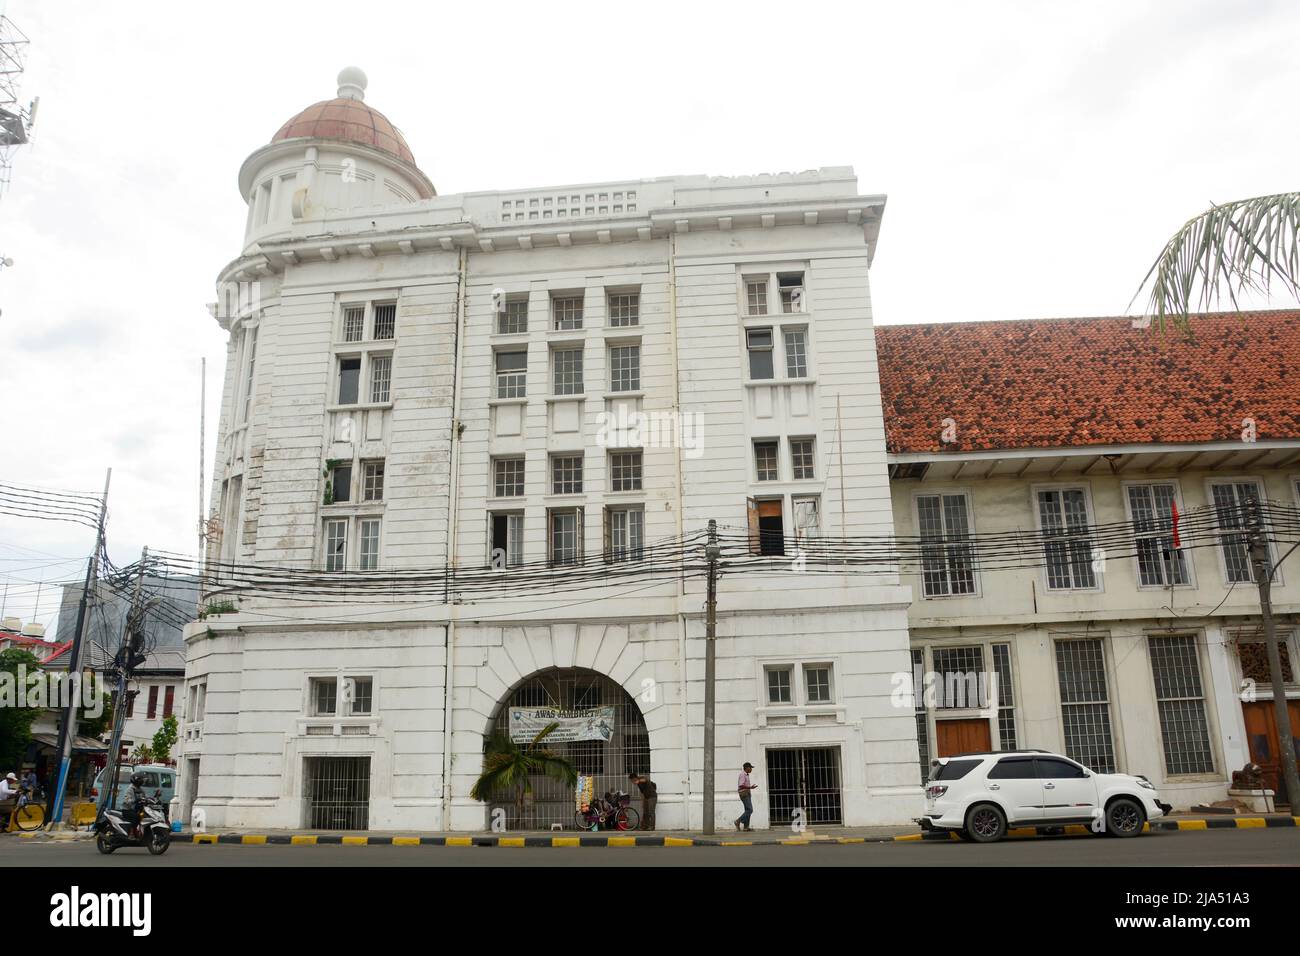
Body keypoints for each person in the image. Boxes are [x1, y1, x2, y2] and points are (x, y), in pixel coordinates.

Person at [120, 771, 149, 836]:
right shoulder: (130, 789)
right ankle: (131, 833)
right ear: (136, 780)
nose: (142, 781)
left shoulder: (140, 789)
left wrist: (150, 799)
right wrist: (135, 800)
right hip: (127, 810)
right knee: (136, 817)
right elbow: (126, 800)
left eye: (142, 779)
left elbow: (146, 796)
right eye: (140, 779)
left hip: (137, 809)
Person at [735, 761, 758, 831]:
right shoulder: (742, 774)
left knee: (747, 810)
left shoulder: (746, 775)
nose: (751, 769)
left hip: (747, 793)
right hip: (744, 793)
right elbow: (741, 785)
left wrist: (750, 788)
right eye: (750, 768)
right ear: (747, 768)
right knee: (750, 810)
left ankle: (746, 827)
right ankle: (738, 821)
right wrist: (750, 787)